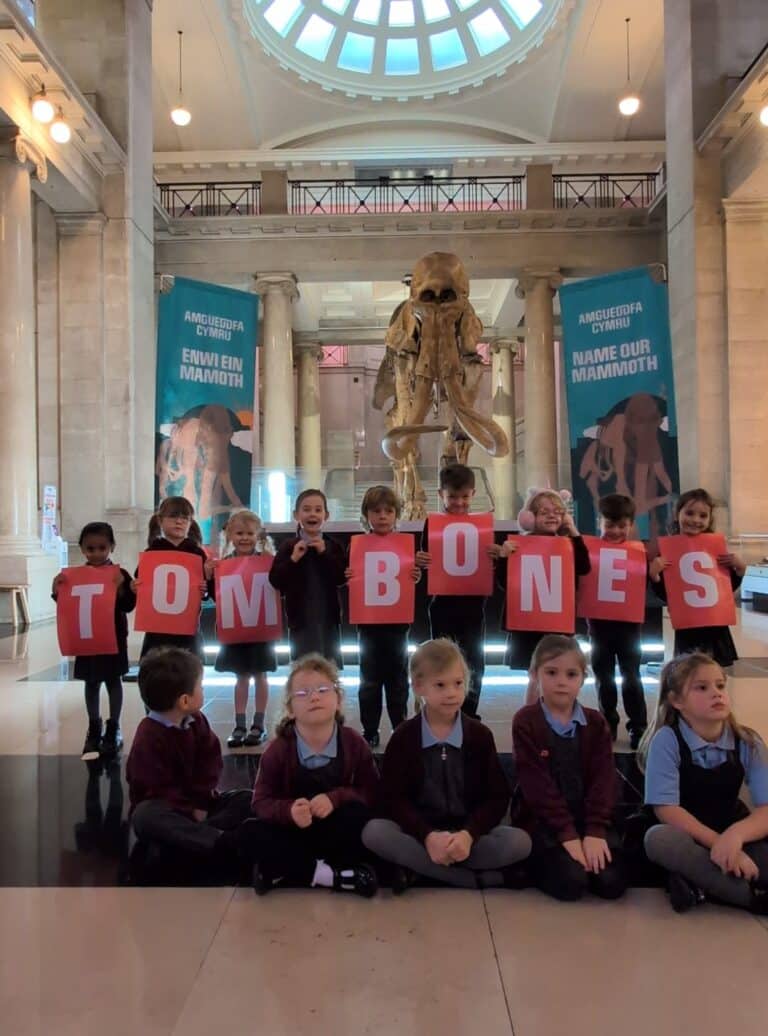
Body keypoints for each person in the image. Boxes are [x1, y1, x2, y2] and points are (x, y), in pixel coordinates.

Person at [363, 638, 531, 891]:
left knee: (520, 841)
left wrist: (468, 834)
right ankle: (471, 879)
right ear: (419, 686)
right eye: (440, 685)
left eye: (458, 683)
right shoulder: (404, 737)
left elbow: (497, 798)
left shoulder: (479, 735)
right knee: (374, 832)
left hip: (467, 836)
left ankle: (421, 871)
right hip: (420, 835)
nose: (451, 693)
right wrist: (427, 836)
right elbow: (392, 799)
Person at [639, 652, 768, 914]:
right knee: (658, 840)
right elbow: (666, 810)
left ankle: (700, 882)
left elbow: (766, 809)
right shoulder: (666, 740)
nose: (716, 693)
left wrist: (735, 837)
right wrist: (718, 842)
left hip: (731, 829)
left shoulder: (748, 741)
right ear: (676, 701)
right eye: (702, 687)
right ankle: (746, 897)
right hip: (685, 832)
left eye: (720, 685)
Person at [247, 654, 379, 897]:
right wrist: (289, 811)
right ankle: (332, 876)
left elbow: (371, 792)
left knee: (362, 819)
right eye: (303, 693)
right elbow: (260, 802)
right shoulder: (278, 750)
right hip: (294, 830)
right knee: (253, 832)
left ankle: (290, 869)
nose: (314, 697)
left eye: (322, 690)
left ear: (338, 700)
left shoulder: (353, 742)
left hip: (336, 827)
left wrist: (335, 799)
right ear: (290, 709)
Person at [512, 635, 627, 902]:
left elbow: (603, 780)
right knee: (571, 883)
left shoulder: (596, 723)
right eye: (551, 673)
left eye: (571, 674)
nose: (561, 681)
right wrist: (568, 835)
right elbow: (537, 787)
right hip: (544, 821)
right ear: (534, 675)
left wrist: (595, 831)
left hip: (587, 817)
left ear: (583, 678)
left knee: (611, 883)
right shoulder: (526, 721)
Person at [126, 648, 252, 867]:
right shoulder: (148, 736)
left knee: (247, 798)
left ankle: (195, 839)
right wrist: (189, 810)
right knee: (145, 816)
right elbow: (152, 789)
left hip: (202, 805)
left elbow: (210, 762)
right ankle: (219, 841)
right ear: (184, 700)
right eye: (200, 686)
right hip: (169, 810)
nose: (203, 690)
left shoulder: (197, 721)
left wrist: (201, 804)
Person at [415, 464, 503, 718]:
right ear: (441, 494)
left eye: (464, 496)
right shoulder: (433, 524)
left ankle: (469, 713)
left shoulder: (481, 527)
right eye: (452, 496)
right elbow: (426, 562)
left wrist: (496, 556)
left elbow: (488, 566)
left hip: (473, 606)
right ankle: (442, 709)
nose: (459, 502)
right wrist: (420, 560)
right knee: (441, 659)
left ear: (473, 494)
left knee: (473, 660)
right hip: (442, 604)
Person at [52, 522, 136, 761]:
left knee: (113, 681)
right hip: (87, 638)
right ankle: (94, 726)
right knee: (91, 682)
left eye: (102, 548)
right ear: (82, 549)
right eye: (90, 549)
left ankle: (114, 726)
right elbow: (66, 605)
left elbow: (128, 606)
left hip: (113, 638)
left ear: (111, 547)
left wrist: (123, 589)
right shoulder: (75, 576)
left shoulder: (119, 575)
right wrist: (57, 588)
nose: (96, 553)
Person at [345, 485, 421, 748]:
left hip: (397, 624)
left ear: (396, 515)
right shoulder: (358, 546)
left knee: (397, 679)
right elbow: (353, 579)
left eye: (388, 511)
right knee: (369, 680)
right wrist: (349, 576)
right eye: (376, 511)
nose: (382, 516)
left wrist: (414, 576)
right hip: (368, 624)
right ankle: (370, 729)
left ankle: (400, 727)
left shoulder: (404, 547)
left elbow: (408, 578)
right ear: (366, 515)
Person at [501, 490, 591, 705]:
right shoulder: (519, 545)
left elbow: (584, 567)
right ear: (529, 517)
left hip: (557, 621)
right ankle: (530, 717)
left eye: (558, 512)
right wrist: (504, 558)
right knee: (534, 675)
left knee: (559, 670)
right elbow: (505, 583)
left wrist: (573, 532)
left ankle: (558, 714)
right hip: (530, 622)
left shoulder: (569, 543)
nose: (552, 516)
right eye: (544, 512)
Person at [649, 488, 745, 667]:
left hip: (715, 626)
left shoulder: (715, 550)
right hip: (688, 627)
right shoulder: (669, 550)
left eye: (703, 516)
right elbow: (667, 595)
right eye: (689, 513)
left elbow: (726, 588)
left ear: (709, 520)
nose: (695, 520)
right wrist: (654, 574)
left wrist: (739, 569)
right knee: (689, 672)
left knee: (715, 672)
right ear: (677, 514)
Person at [212, 509, 276, 748]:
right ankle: (239, 724)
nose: (245, 538)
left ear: (257, 535)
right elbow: (218, 596)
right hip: (238, 630)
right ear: (230, 535)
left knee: (260, 675)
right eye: (239, 533)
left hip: (260, 629)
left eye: (250, 533)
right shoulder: (225, 564)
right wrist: (210, 573)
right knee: (240, 677)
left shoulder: (266, 562)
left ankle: (259, 724)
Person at [588, 493, 648, 749]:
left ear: (631, 525)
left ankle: (638, 726)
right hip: (599, 627)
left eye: (622, 526)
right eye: (609, 525)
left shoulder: (637, 554)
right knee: (604, 677)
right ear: (599, 522)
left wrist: (654, 569)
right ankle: (608, 722)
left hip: (629, 628)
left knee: (632, 676)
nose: (615, 531)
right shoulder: (591, 552)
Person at [269, 489, 346, 667]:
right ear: (296, 515)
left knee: (328, 667)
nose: (312, 514)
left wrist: (325, 553)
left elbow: (341, 577)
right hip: (300, 618)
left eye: (318, 510)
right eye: (306, 509)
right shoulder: (289, 547)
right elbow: (275, 580)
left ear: (326, 515)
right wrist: (293, 559)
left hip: (327, 617)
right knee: (304, 667)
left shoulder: (333, 546)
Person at [133, 496, 212, 661]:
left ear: (190, 522)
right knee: (157, 667)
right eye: (173, 516)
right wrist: (135, 586)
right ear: (160, 520)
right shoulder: (153, 552)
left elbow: (205, 588)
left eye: (185, 518)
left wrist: (204, 589)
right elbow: (140, 579)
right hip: (158, 626)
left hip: (187, 624)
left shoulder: (196, 552)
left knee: (189, 667)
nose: (179, 521)